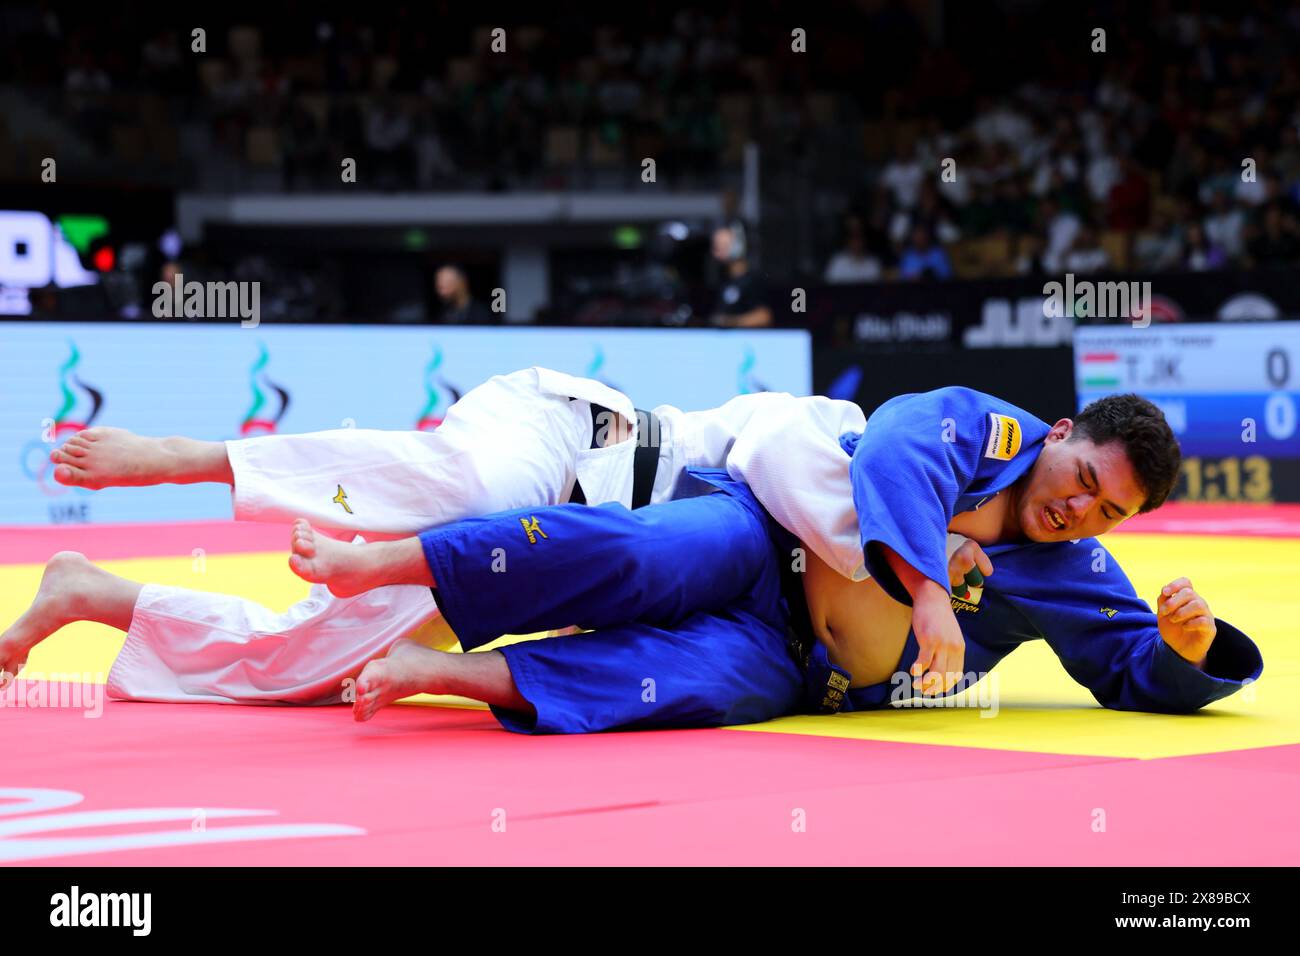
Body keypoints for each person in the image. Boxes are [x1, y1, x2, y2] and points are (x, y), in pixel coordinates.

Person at [709, 223, 772, 327]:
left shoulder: (752, 281)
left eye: (722, 247)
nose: (715, 253)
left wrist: (731, 322)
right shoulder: (724, 280)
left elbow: (764, 316)